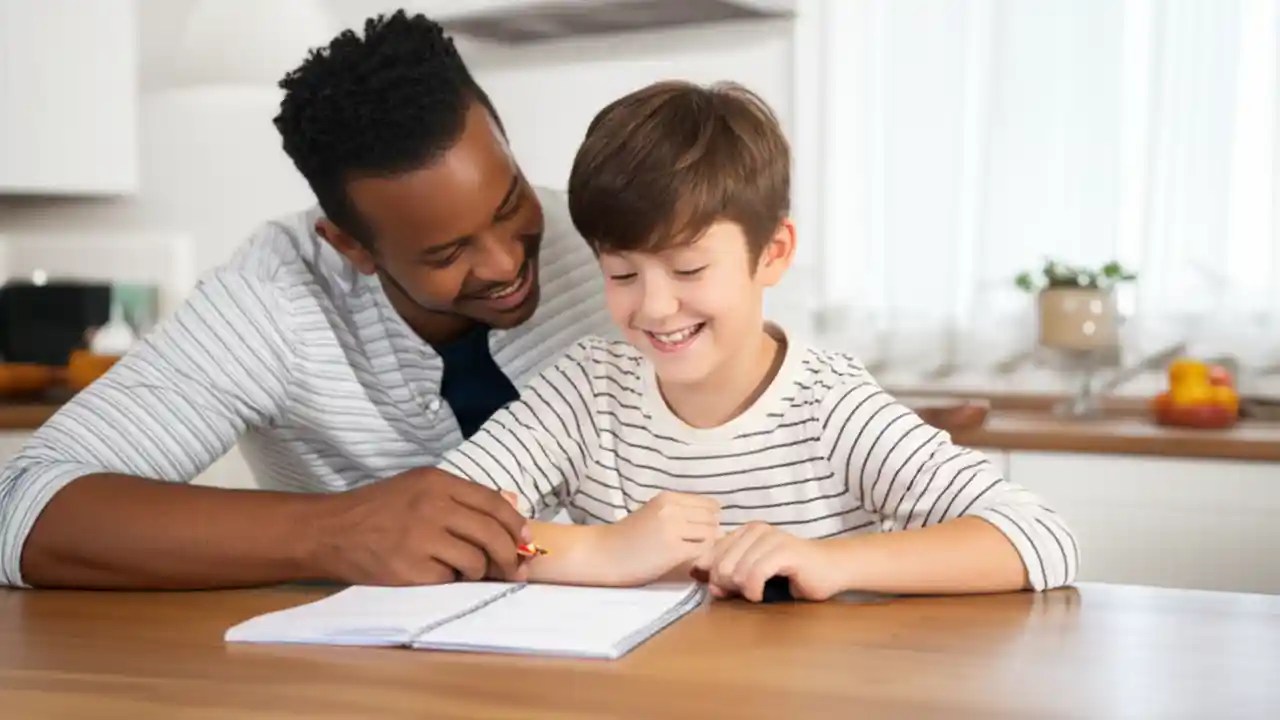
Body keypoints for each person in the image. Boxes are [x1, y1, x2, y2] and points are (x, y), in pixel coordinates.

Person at [0, 11, 614, 589]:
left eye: (510, 203)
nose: (506, 262)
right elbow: (18, 505)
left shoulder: (613, 249)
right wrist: (333, 530)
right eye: (445, 254)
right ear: (352, 246)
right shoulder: (274, 300)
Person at [438, 81, 1079, 601]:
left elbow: (1039, 538)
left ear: (772, 254)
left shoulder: (830, 407)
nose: (655, 307)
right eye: (622, 273)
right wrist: (606, 552)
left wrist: (830, 563)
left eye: (689, 269)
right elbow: (442, 524)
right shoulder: (585, 390)